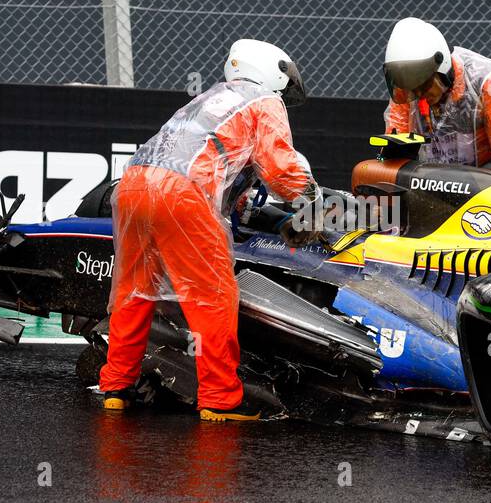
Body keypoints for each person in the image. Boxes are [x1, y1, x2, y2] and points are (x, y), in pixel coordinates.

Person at [98, 39, 323, 421]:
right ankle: (220, 400)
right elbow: (281, 166)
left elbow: (227, 186)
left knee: (134, 288)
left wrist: (275, 218)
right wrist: (311, 202)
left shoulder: (210, 100)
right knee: (212, 296)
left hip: (134, 182)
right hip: (183, 192)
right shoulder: (264, 101)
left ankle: (117, 386)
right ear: (274, 73)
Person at [381, 17, 491, 189]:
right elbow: (393, 151)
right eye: (412, 89)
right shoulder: (408, 92)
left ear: (441, 68)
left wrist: (464, 185)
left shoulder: (490, 83)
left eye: (424, 86)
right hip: (447, 187)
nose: (419, 94)